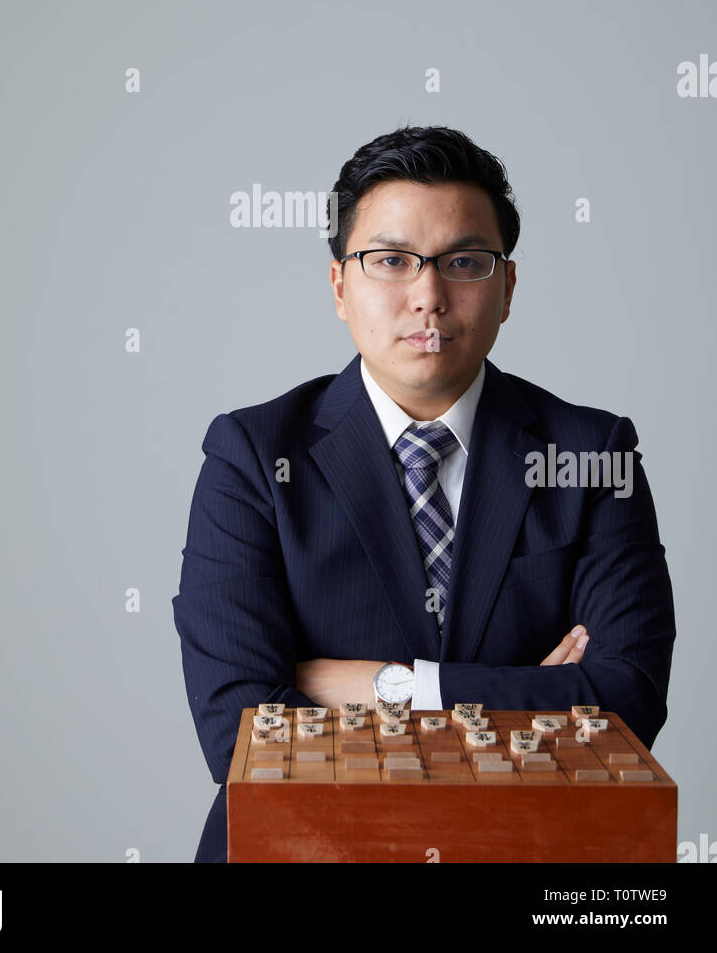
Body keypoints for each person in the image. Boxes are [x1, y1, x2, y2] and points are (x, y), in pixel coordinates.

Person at [172, 125, 675, 863]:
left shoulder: (592, 454)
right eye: (392, 261)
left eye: (463, 262)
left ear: (506, 287)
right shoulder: (251, 455)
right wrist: (520, 707)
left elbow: (624, 706)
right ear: (340, 285)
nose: (429, 297)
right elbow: (243, 739)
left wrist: (393, 686)